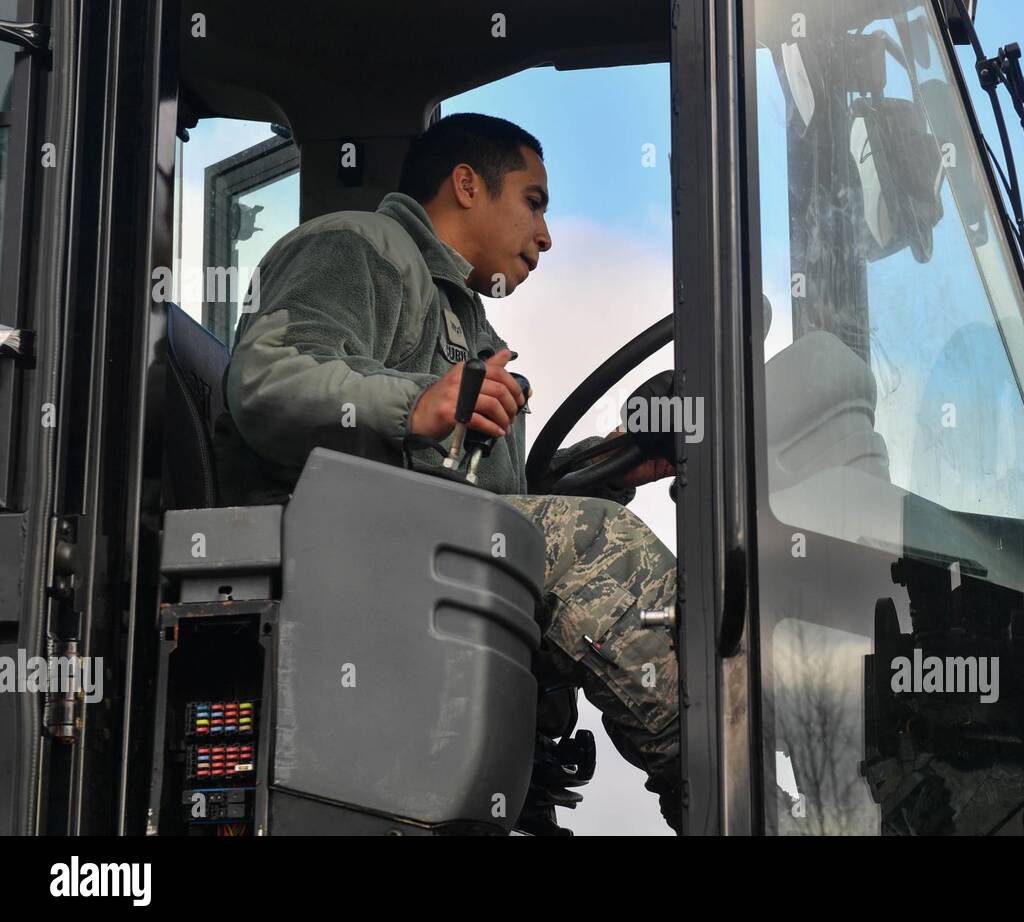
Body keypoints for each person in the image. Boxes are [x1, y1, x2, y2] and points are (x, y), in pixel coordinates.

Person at [213, 113, 681, 831]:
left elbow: (497, 509)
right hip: (338, 562)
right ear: (467, 184)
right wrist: (417, 403)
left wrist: (611, 469)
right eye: (534, 202)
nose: (547, 236)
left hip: (416, 562)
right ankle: (719, 767)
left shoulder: (467, 325)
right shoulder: (359, 247)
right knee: (599, 545)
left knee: (587, 530)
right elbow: (266, 383)